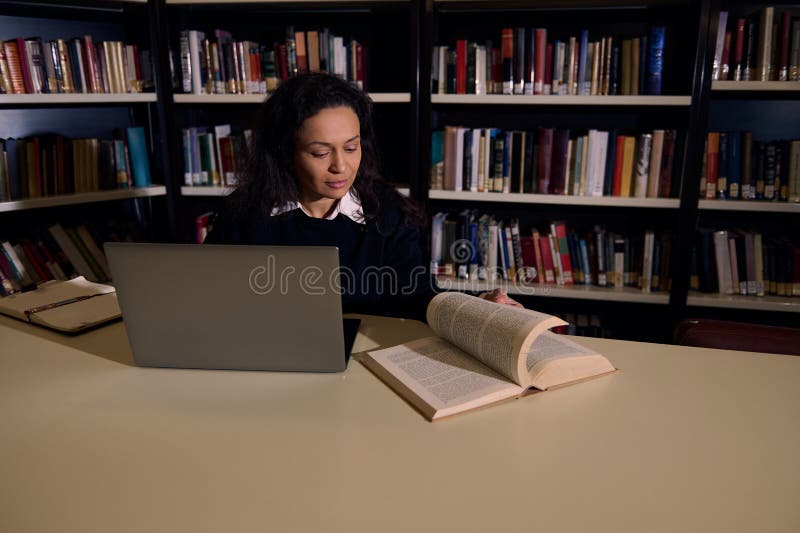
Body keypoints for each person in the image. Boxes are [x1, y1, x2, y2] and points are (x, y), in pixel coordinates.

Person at [205, 72, 519, 320]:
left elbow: (418, 298)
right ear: (285, 153)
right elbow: (208, 299)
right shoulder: (242, 217)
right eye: (320, 152)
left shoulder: (388, 214)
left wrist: (479, 308)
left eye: (351, 147)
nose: (340, 166)